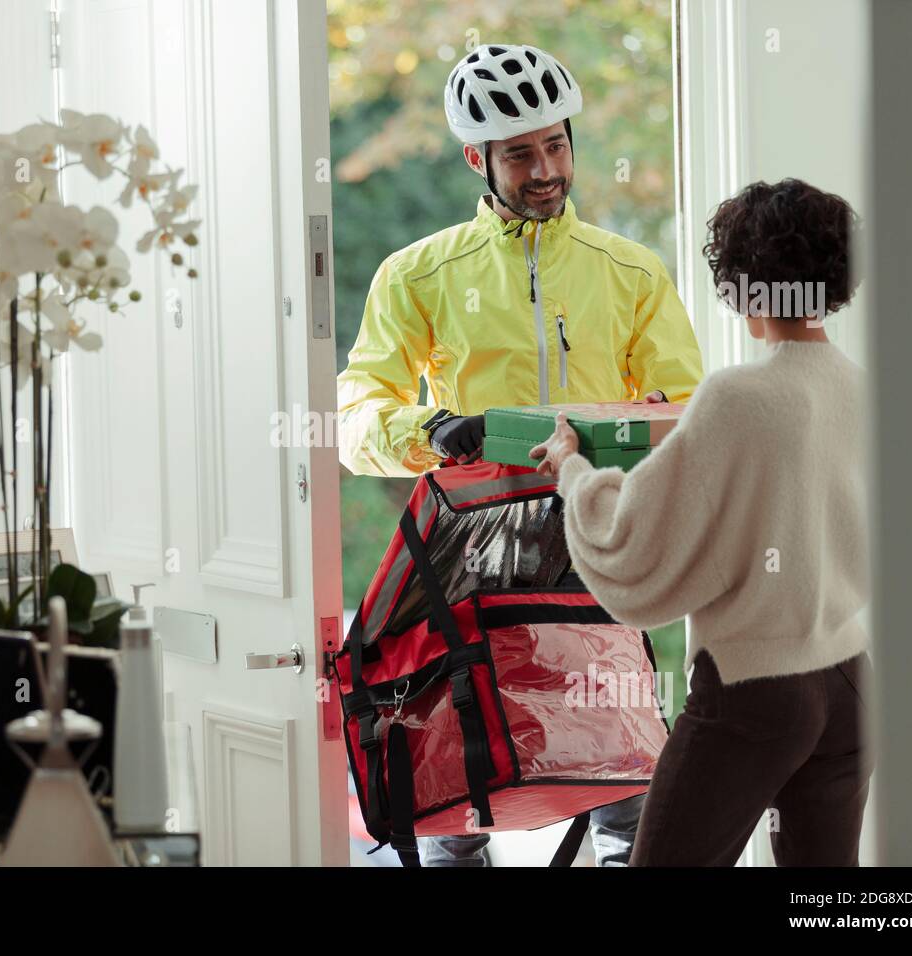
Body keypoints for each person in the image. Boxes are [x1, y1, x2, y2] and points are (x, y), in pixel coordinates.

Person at [336, 42, 704, 866]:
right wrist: (431, 428)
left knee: (626, 791)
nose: (545, 169)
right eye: (520, 154)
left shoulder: (631, 272)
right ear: (477, 158)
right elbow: (355, 420)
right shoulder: (417, 276)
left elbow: (686, 418)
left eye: (556, 145)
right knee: (457, 804)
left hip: (598, 548)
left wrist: (642, 427)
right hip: (474, 561)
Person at [532, 178, 871, 866]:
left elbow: (630, 535)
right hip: (851, 684)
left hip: (758, 689)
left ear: (745, 288)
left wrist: (571, 467)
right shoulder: (857, 385)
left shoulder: (737, 396)